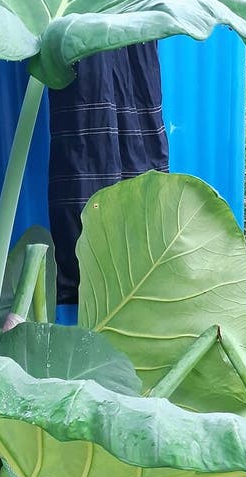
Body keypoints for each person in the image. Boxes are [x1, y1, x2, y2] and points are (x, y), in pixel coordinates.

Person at [49, 42, 169, 318]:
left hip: (132, 20)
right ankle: (85, 284)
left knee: (137, 148)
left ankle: (137, 274)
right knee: (83, 151)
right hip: (80, 32)